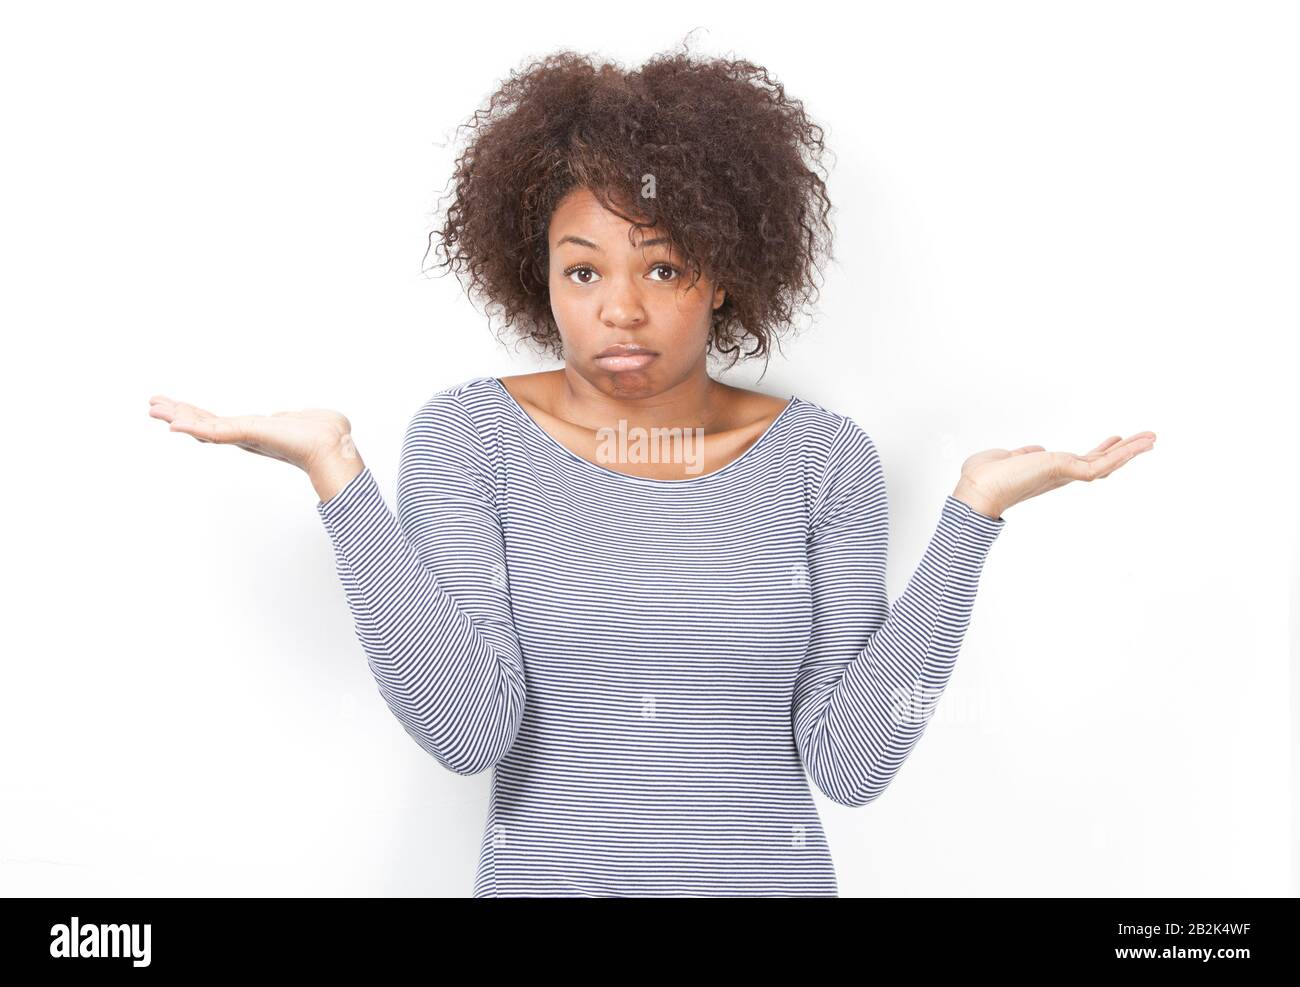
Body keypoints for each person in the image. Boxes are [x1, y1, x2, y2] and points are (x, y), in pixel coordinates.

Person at [148, 46, 1155, 897]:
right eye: (582, 269)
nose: (618, 311)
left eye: (662, 267)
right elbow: (469, 730)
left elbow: (852, 760)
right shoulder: (470, 441)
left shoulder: (821, 459)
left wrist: (972, 516)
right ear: (537, 274)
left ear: (722, 275)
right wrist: (339, 479)